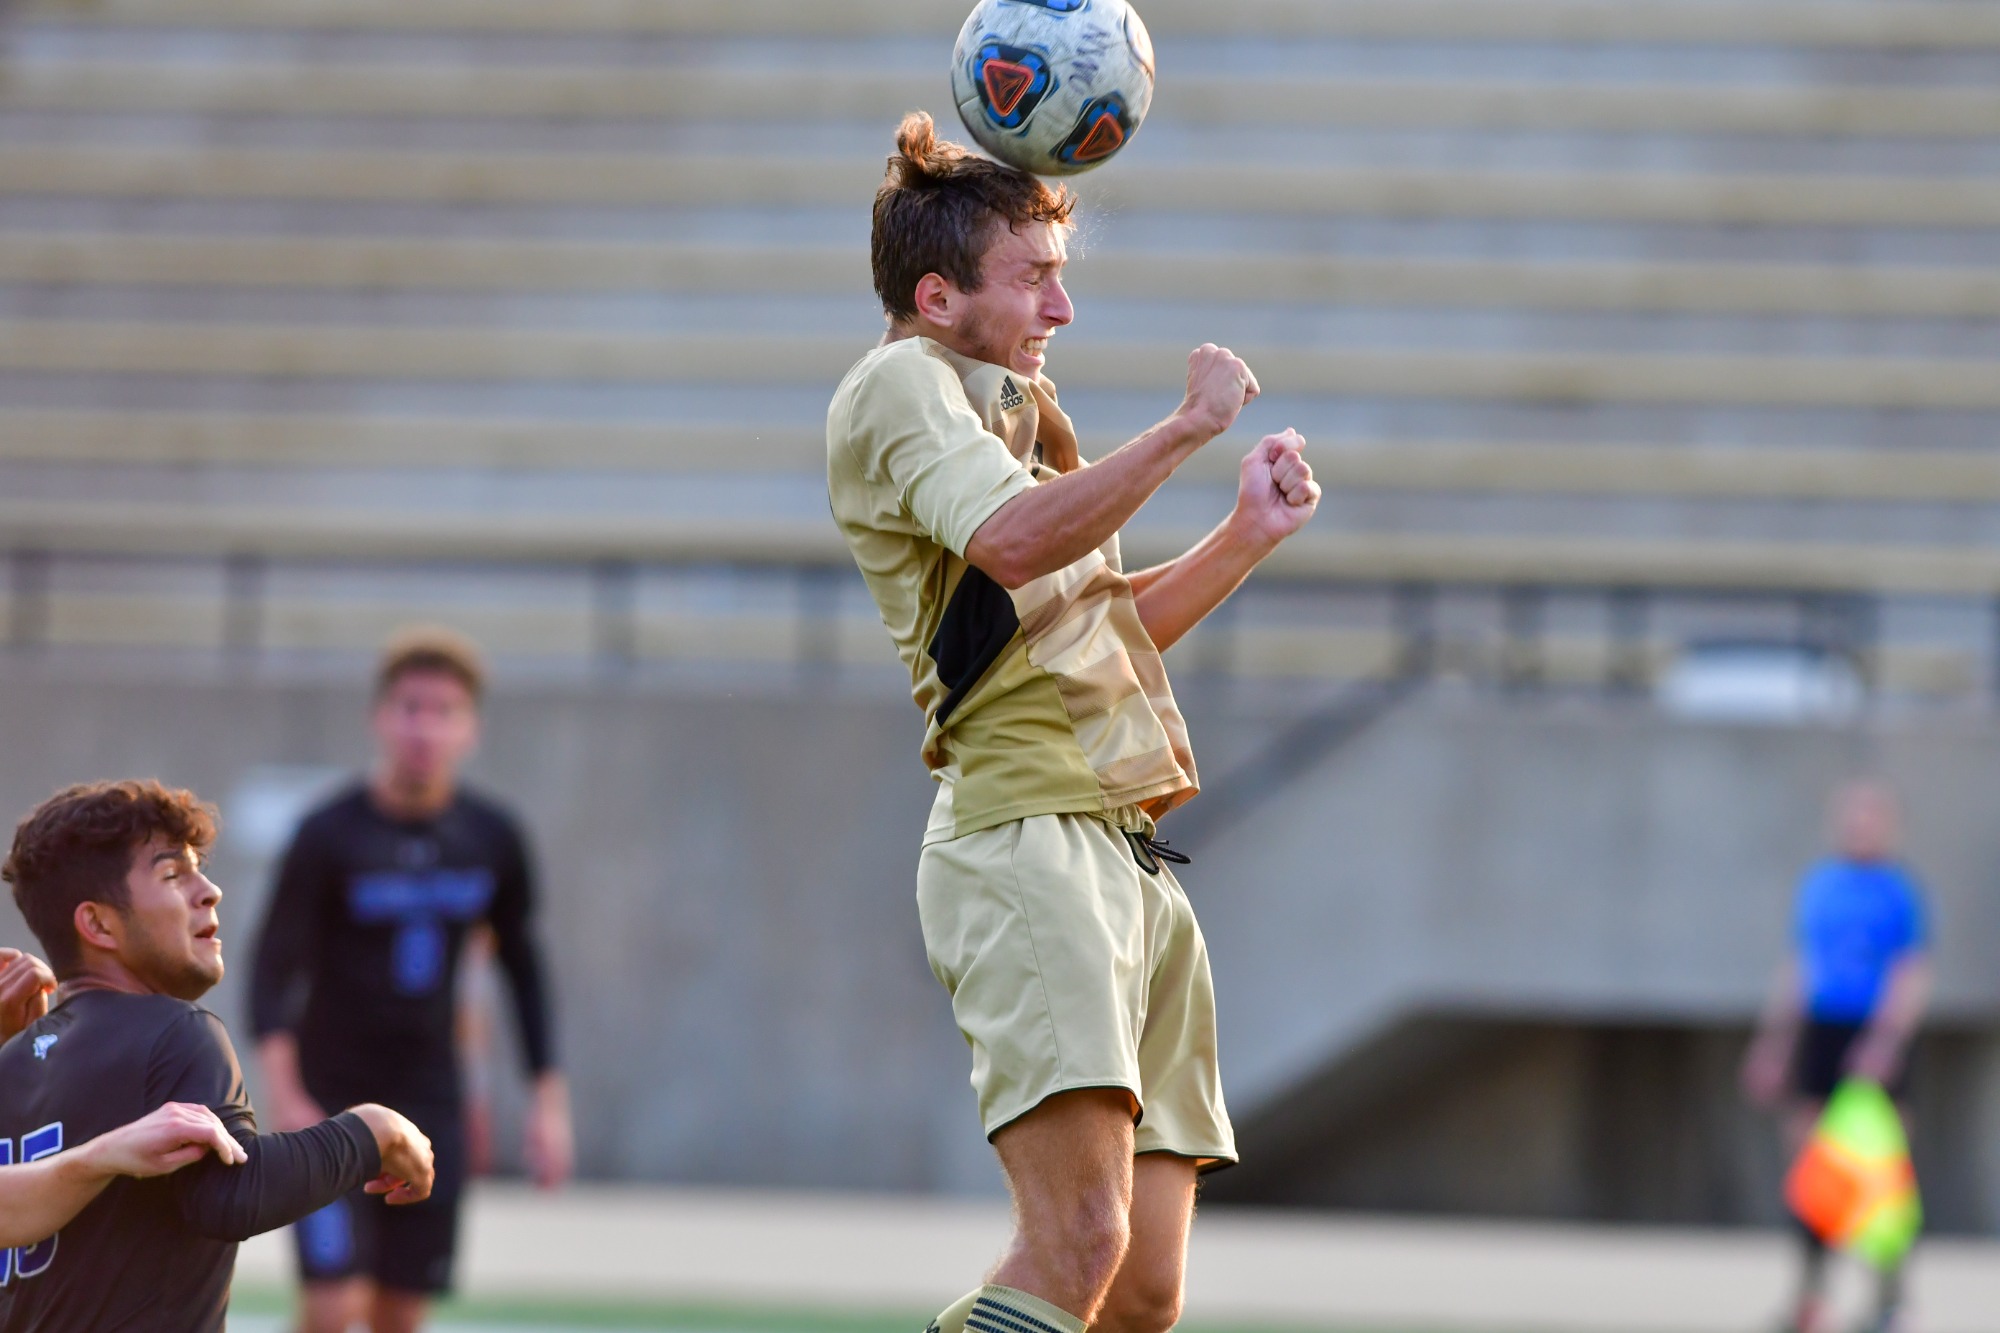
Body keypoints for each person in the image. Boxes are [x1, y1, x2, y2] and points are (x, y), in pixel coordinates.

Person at [827, 112, 1322, 1333]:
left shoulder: (1020, 417)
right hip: (1023, 840)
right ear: (936, 297)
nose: (1058, 311)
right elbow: (1004, 539)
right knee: (1077, 1239)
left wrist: (1243, 531)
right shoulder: (902, 384)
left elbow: (1102, 631)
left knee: (1140, 1289)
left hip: (1122, 856)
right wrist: (1184, 429)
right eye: (1034, 280)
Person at [0, 779, 434, 1333]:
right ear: (98, 924)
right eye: (172, 874)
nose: (209, 891)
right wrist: (375, 1130)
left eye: (198, 868)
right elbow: (229, 1197)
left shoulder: (12, 1058)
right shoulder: (177, 1032)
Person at [250, 626, 572, 1333]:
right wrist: (287, 1090)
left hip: (431, 1099)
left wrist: (545, 1101)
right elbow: (271, 965)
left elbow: (521, 968)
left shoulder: (492, 836)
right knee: (334, 1306)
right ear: (381, 718)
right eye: (411, 707)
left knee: (399, 1312)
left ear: (471, 729)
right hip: (333, 1096)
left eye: (444, 710)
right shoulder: (327, 833)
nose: (425, 727)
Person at [1742, 781, 1932, 1333]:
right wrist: (1774, 1044)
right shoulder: (1819, 887)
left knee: (1884, 1179)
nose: (1860, 827)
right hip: (1823, 1033)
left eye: (1870, 818)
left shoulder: (1900, 893)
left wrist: (1885, 1042)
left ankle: (1891, 1302)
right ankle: (1810, 1299)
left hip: (1875, 1036)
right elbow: (1800, 968)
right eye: (1852, 817)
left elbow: (1910, 973)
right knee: (1811, 1175)